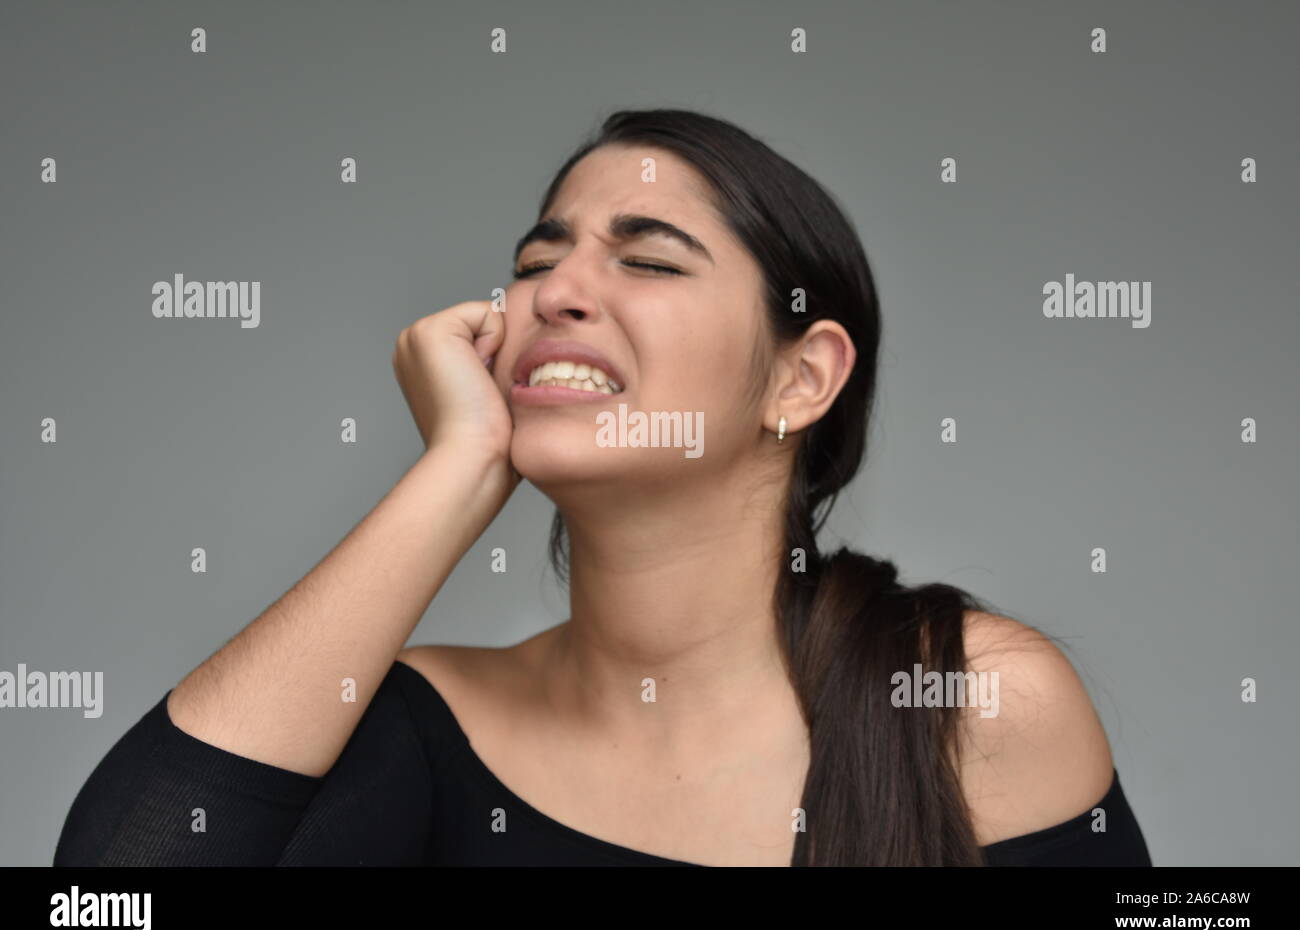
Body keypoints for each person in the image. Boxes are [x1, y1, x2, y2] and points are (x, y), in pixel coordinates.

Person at [54, 108, 1152, 866]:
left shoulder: (965, 701)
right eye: (537, 262)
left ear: (799, 376)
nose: (557, 292)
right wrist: (454, 470)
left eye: (649, 258)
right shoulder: (418, 731)